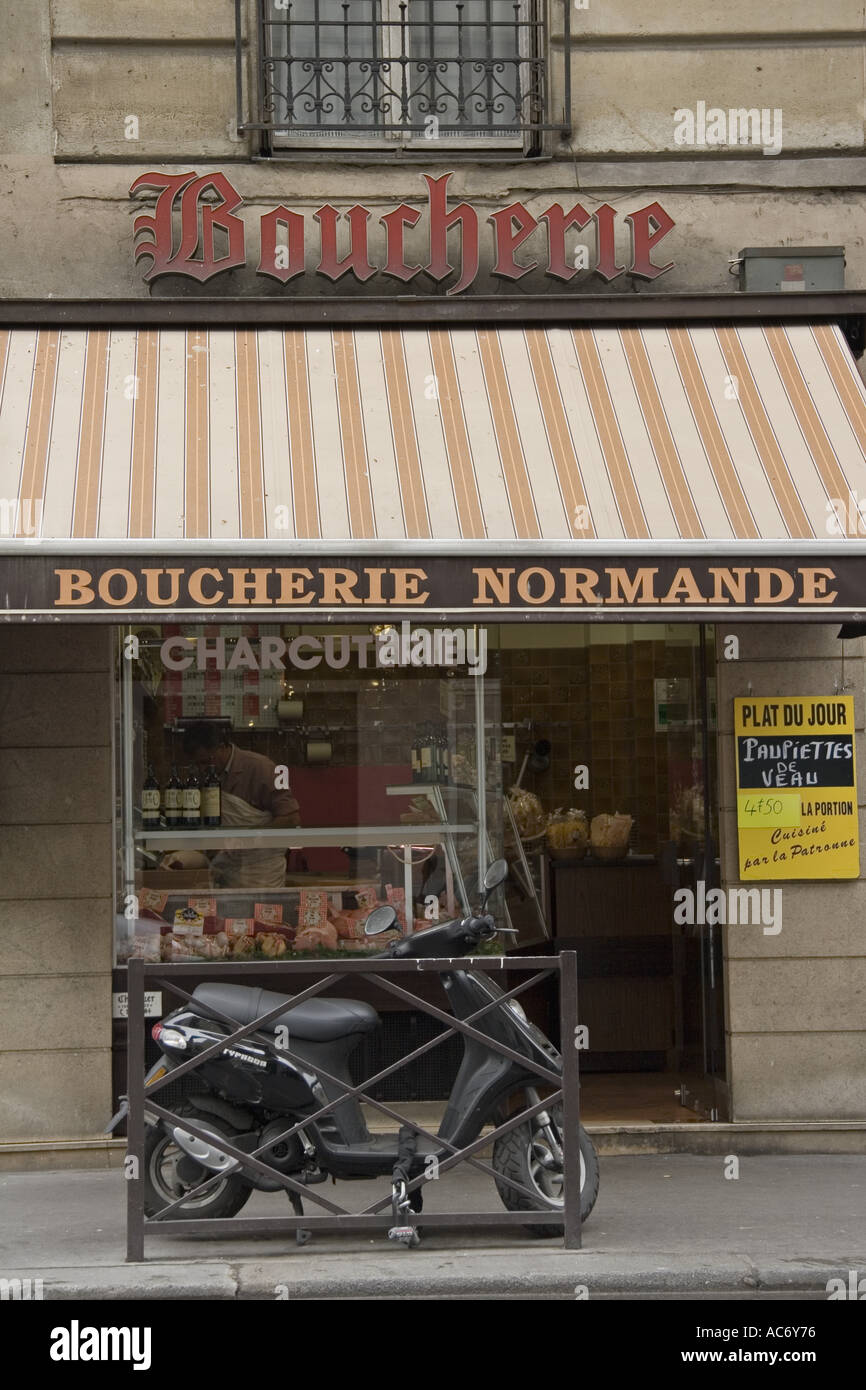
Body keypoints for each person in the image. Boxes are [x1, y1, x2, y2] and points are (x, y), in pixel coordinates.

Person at [180, 722, 300, 888]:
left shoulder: (264, 767)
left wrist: (248, 840)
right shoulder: (205, 777)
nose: (203, 769)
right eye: (198, 764)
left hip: (261, 871)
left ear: (222, 747)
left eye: (207, 761)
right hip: (225, 868)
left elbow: (291, 818)